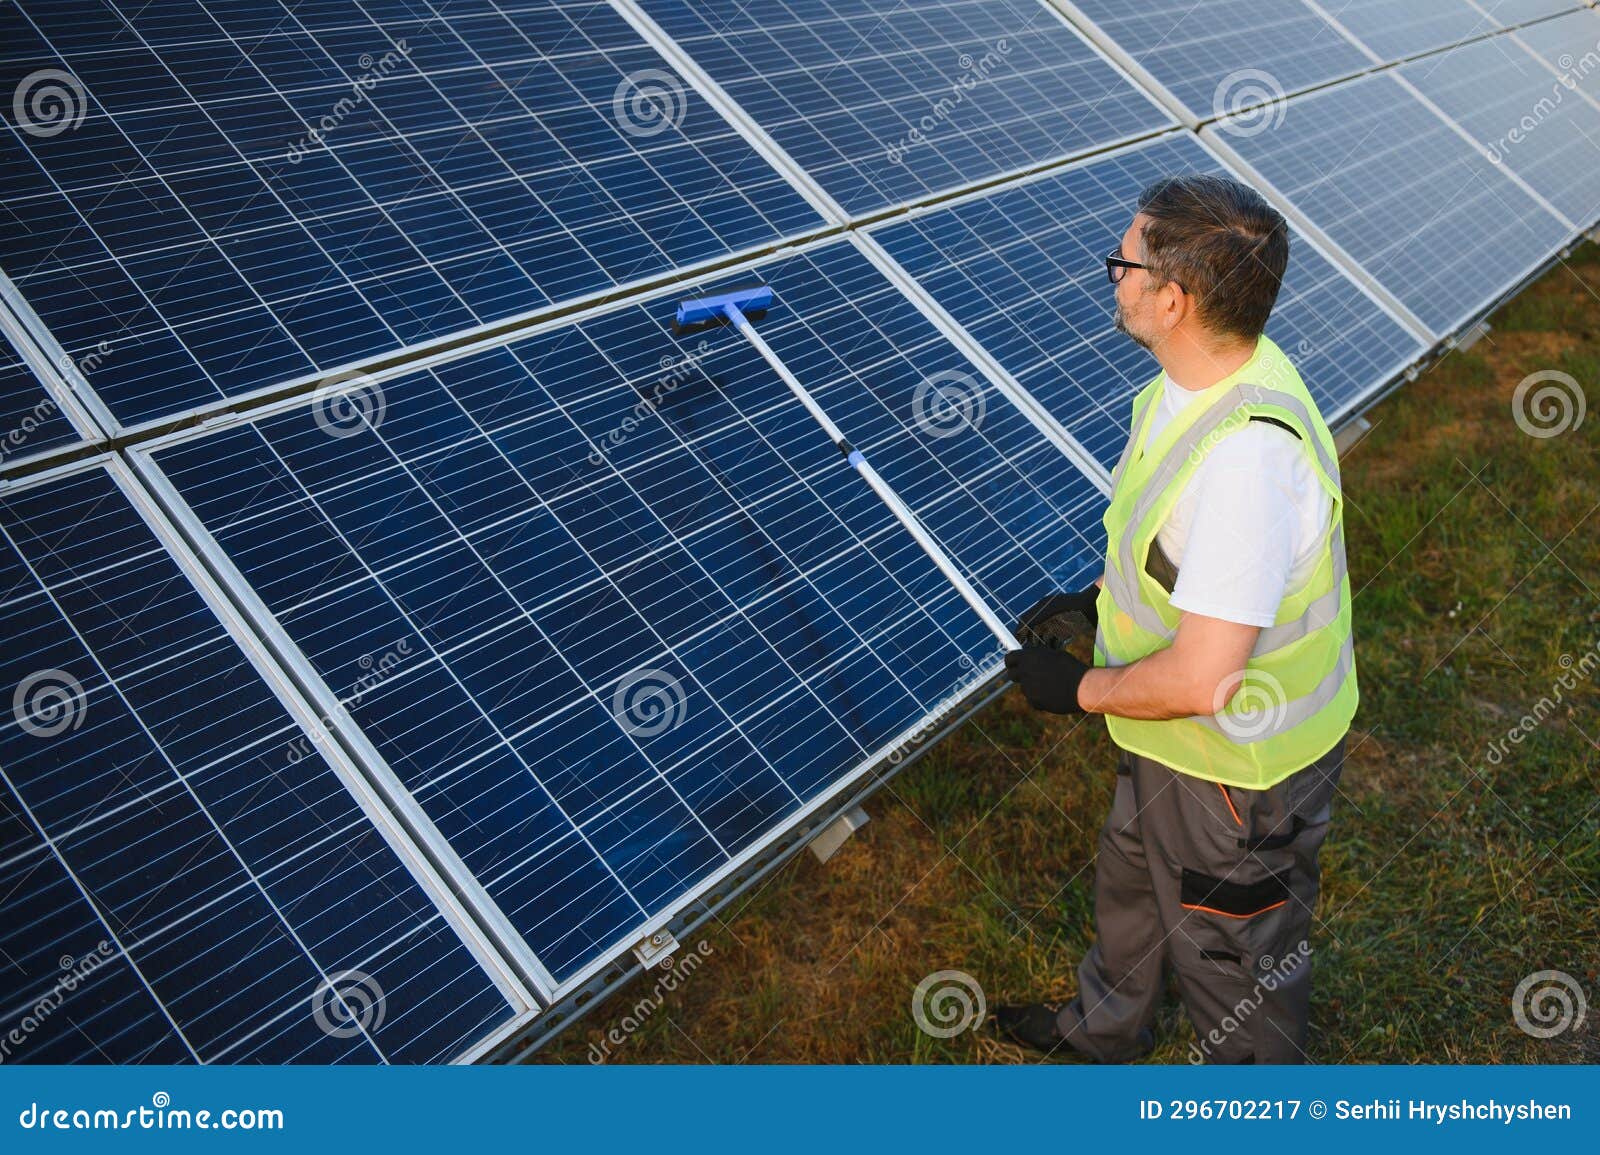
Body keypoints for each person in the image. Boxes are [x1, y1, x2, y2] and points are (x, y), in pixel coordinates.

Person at [994, 174, 1356, 1064]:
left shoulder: (1248, 466)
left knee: (1230, 957)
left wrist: (1077, 688)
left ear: (1174, 298)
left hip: (1236, 773)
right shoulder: (1198, 382)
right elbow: (1174, 547)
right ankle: (1102, 1031)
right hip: (1169, 747)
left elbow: (1201, 678)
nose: (1112, 275)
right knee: (1130, 885)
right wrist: (1101, 602)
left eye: (1126, 262)